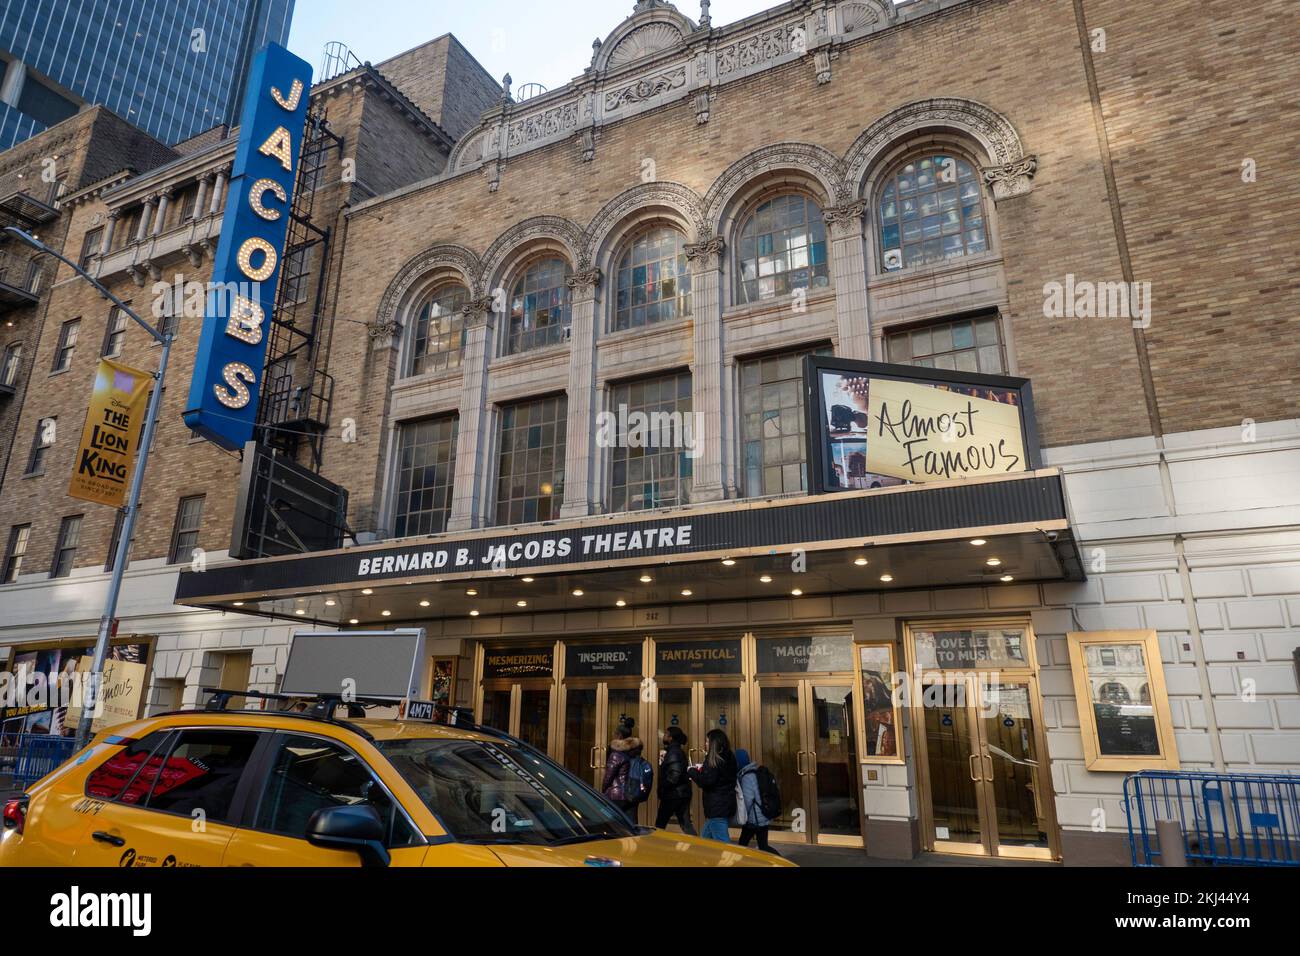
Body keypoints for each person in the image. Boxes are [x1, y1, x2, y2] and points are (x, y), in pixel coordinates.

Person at [687, 728, 737, 843]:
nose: (705, 744)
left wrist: (691, 771)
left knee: (724, 844)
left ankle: (729, 861)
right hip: (724, 804)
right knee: (704, 842)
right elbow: (717, 777)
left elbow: (706, 781)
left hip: (716, 807)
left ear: (714, 743)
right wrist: (703, 770)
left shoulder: (713, 759)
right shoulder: (729, 757)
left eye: (707, 741)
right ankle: (701, 859)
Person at [735, 748, 780, 856]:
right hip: (763, 816)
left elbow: (748, 800)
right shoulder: (754, 772)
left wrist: (742, 816)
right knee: (763, 846)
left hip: (753, 820)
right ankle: (780, 862)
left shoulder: (746, 777)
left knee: (742, 845)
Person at [654, 725, 695, 835]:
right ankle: (695, 844)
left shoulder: (673, 752)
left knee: (660, 824)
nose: (664, 736)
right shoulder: (675, 751)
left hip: (673, 794)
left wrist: (663, 788)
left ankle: (654, 845)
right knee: (685, 823)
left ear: (670, 738)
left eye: (666, 734)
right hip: (680, 793)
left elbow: (674, 776)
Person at [601, 718, 643, 822]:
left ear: (618, 735)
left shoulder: (616, 754)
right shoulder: (633, 751)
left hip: (617, 794)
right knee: (631, 824)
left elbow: (609, 776)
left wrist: (603, 789)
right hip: (631, 793)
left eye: (614, 733)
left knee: (611, 823)